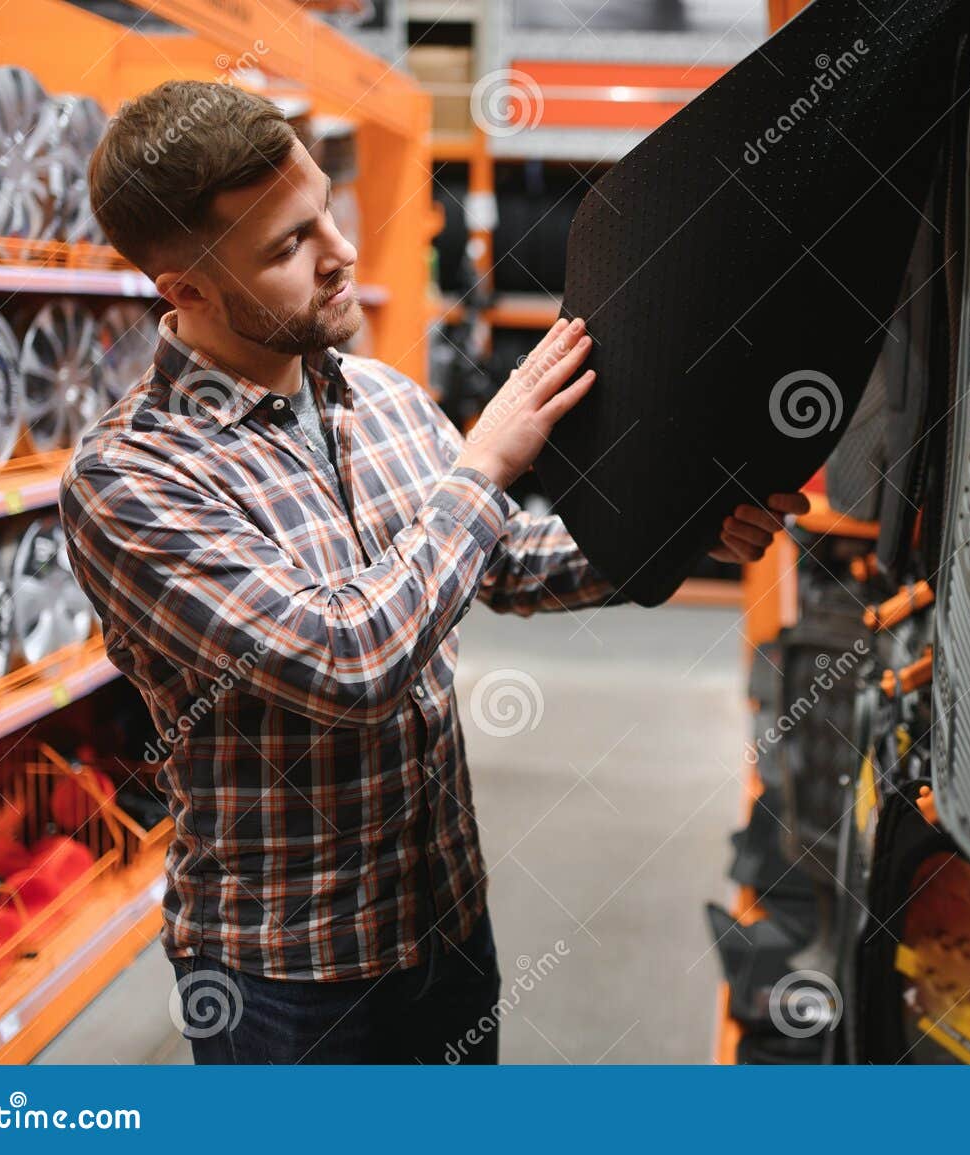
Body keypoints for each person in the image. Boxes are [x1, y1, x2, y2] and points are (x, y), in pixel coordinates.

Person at [57, 80, 811, 1064]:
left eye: (324, 209)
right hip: (287, 973)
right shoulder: (131, 478)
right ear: (185, 289)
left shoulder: (378, 397)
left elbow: (499, 563)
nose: (340, 254)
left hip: (443, 922)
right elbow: (350, 661)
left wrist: (681, 527)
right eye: (286, 248)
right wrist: (485, 463)